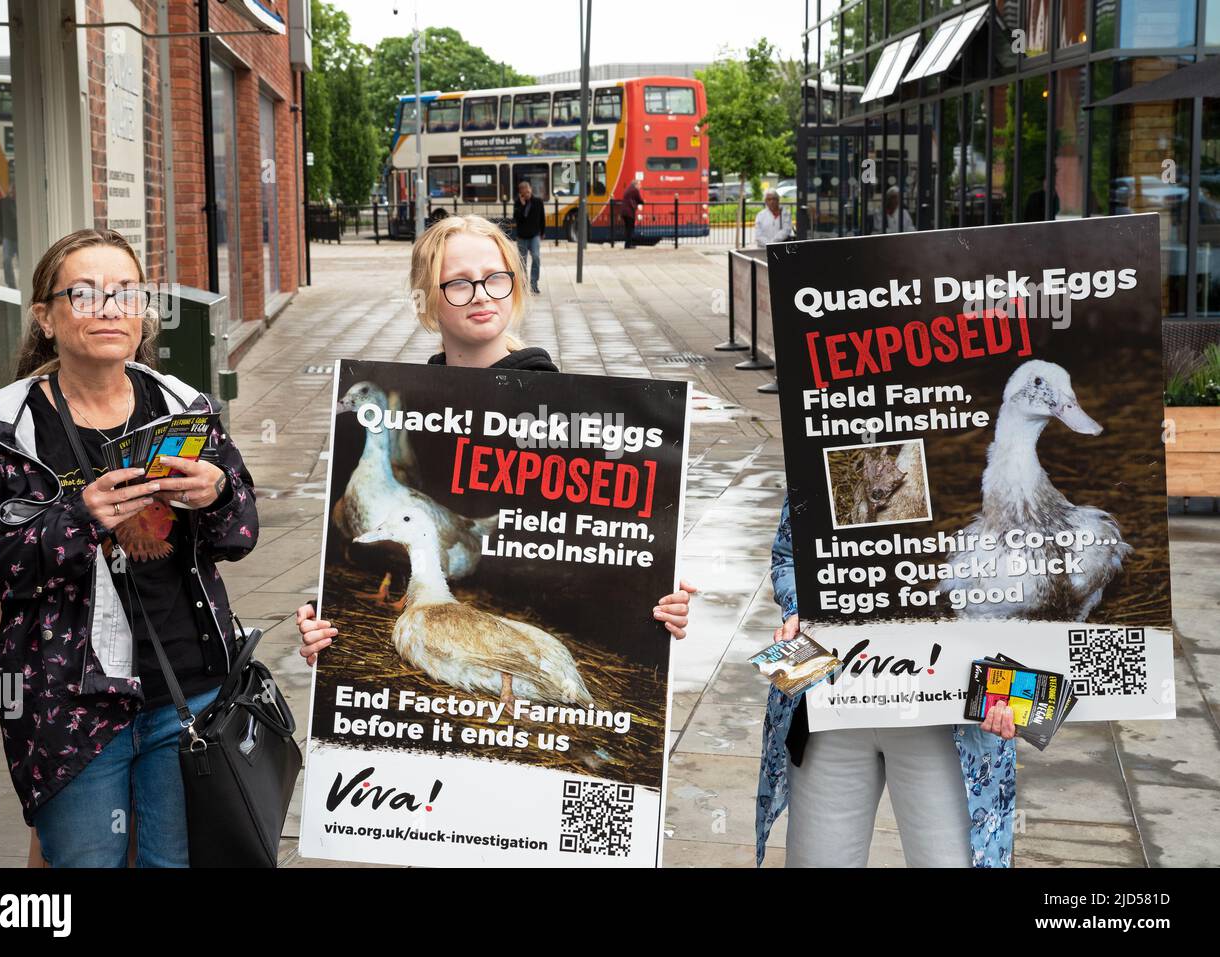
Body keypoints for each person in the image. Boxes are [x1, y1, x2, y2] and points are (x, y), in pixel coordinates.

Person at [0, 228, 259, 867]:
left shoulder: (183, 407)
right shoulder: (2, 428)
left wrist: (218, 493)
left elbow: (240, 535)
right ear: (45, 319)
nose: (109, 308)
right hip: (69, 706)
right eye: (83, 294)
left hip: (187, 690)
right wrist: (76, 519)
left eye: (125, 293)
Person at [297, 214, 695, 663]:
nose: (482, 294)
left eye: (495, 278)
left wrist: (659, 596)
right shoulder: (418, 406)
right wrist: (326, 626)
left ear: (515, 284)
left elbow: (606, 538)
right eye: (459, 283)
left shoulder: (573, 415)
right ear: (428, 299)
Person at [755, 492, 1018, 868]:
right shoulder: (822, 444)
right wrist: (800, 607)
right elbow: (789, 555)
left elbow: (1026, 581)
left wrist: (1018, 687)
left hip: (950, 713)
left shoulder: (992, 484)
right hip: (829, 702)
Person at [513, 180, 545, 294]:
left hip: (534, 235)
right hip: (522, 236)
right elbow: (517, 218)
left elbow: (542, 217)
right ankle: (523, 284)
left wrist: (543, 232)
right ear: (520, 193)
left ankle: (534, 284)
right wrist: (521, 205)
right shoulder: (518, 203)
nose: (526, 195)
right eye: (523, 193)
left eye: (527, 192)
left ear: (530, 190)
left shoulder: (538, 201)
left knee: (536, 257)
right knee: (522, 262)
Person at [621, 176, 645, 248]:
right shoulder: (635, 190)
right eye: (639, 184)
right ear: (636, 185)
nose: (640, 186)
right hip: (629, 212)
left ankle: (627, 244)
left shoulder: (628, 189)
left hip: (624, 211)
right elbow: (639, 199)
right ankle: (629, 245)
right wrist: (644, 202)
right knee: (630, 228)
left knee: (627, 228)